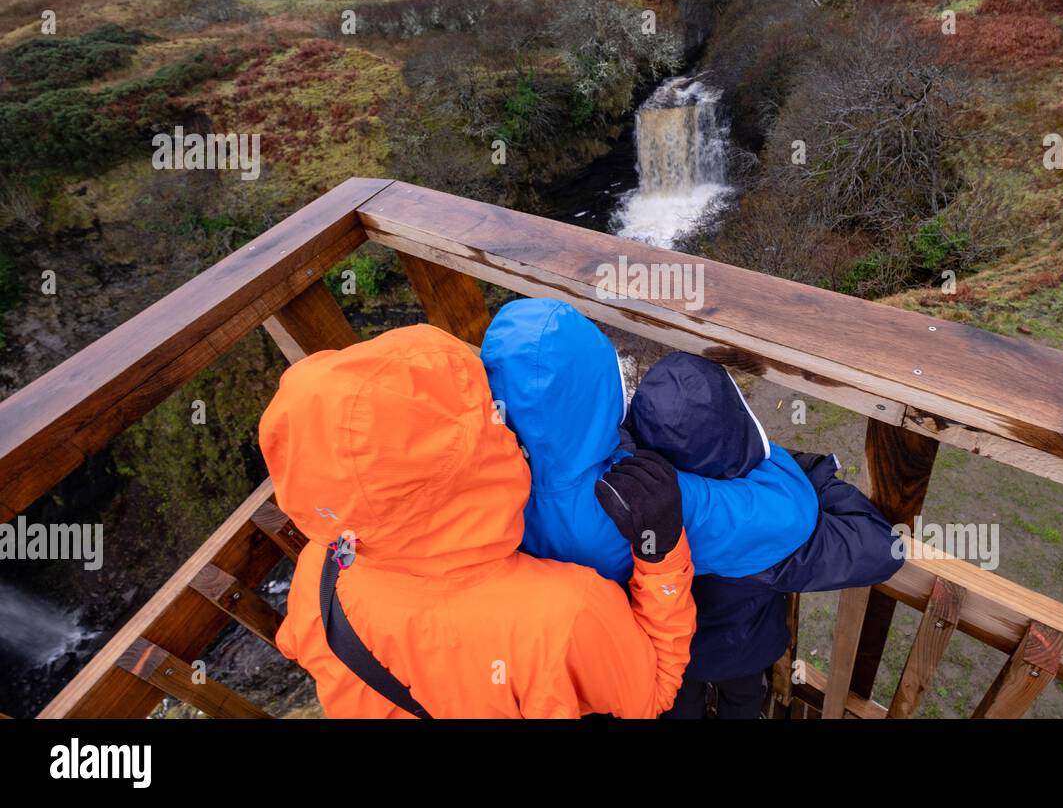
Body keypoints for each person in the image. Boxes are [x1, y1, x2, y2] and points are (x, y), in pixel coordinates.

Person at [261, 323, 696, 718]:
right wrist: (660, 551)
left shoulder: (322, 566)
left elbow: (299, 645)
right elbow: (651, 695)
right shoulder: (564, 613)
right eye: (489, 412)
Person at [629, 351, 904, 719]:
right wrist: (808, 475)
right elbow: (882, 547)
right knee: (742, 702)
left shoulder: (623, 500)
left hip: (667, 651)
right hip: (744, 650)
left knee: (679, 704)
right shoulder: (769, 530)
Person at [479, 298, 819, 584]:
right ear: (602, 382)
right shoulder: (633, 494)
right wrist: (755, 444)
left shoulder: (480, 486)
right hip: (681, 626)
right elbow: (789, 514)